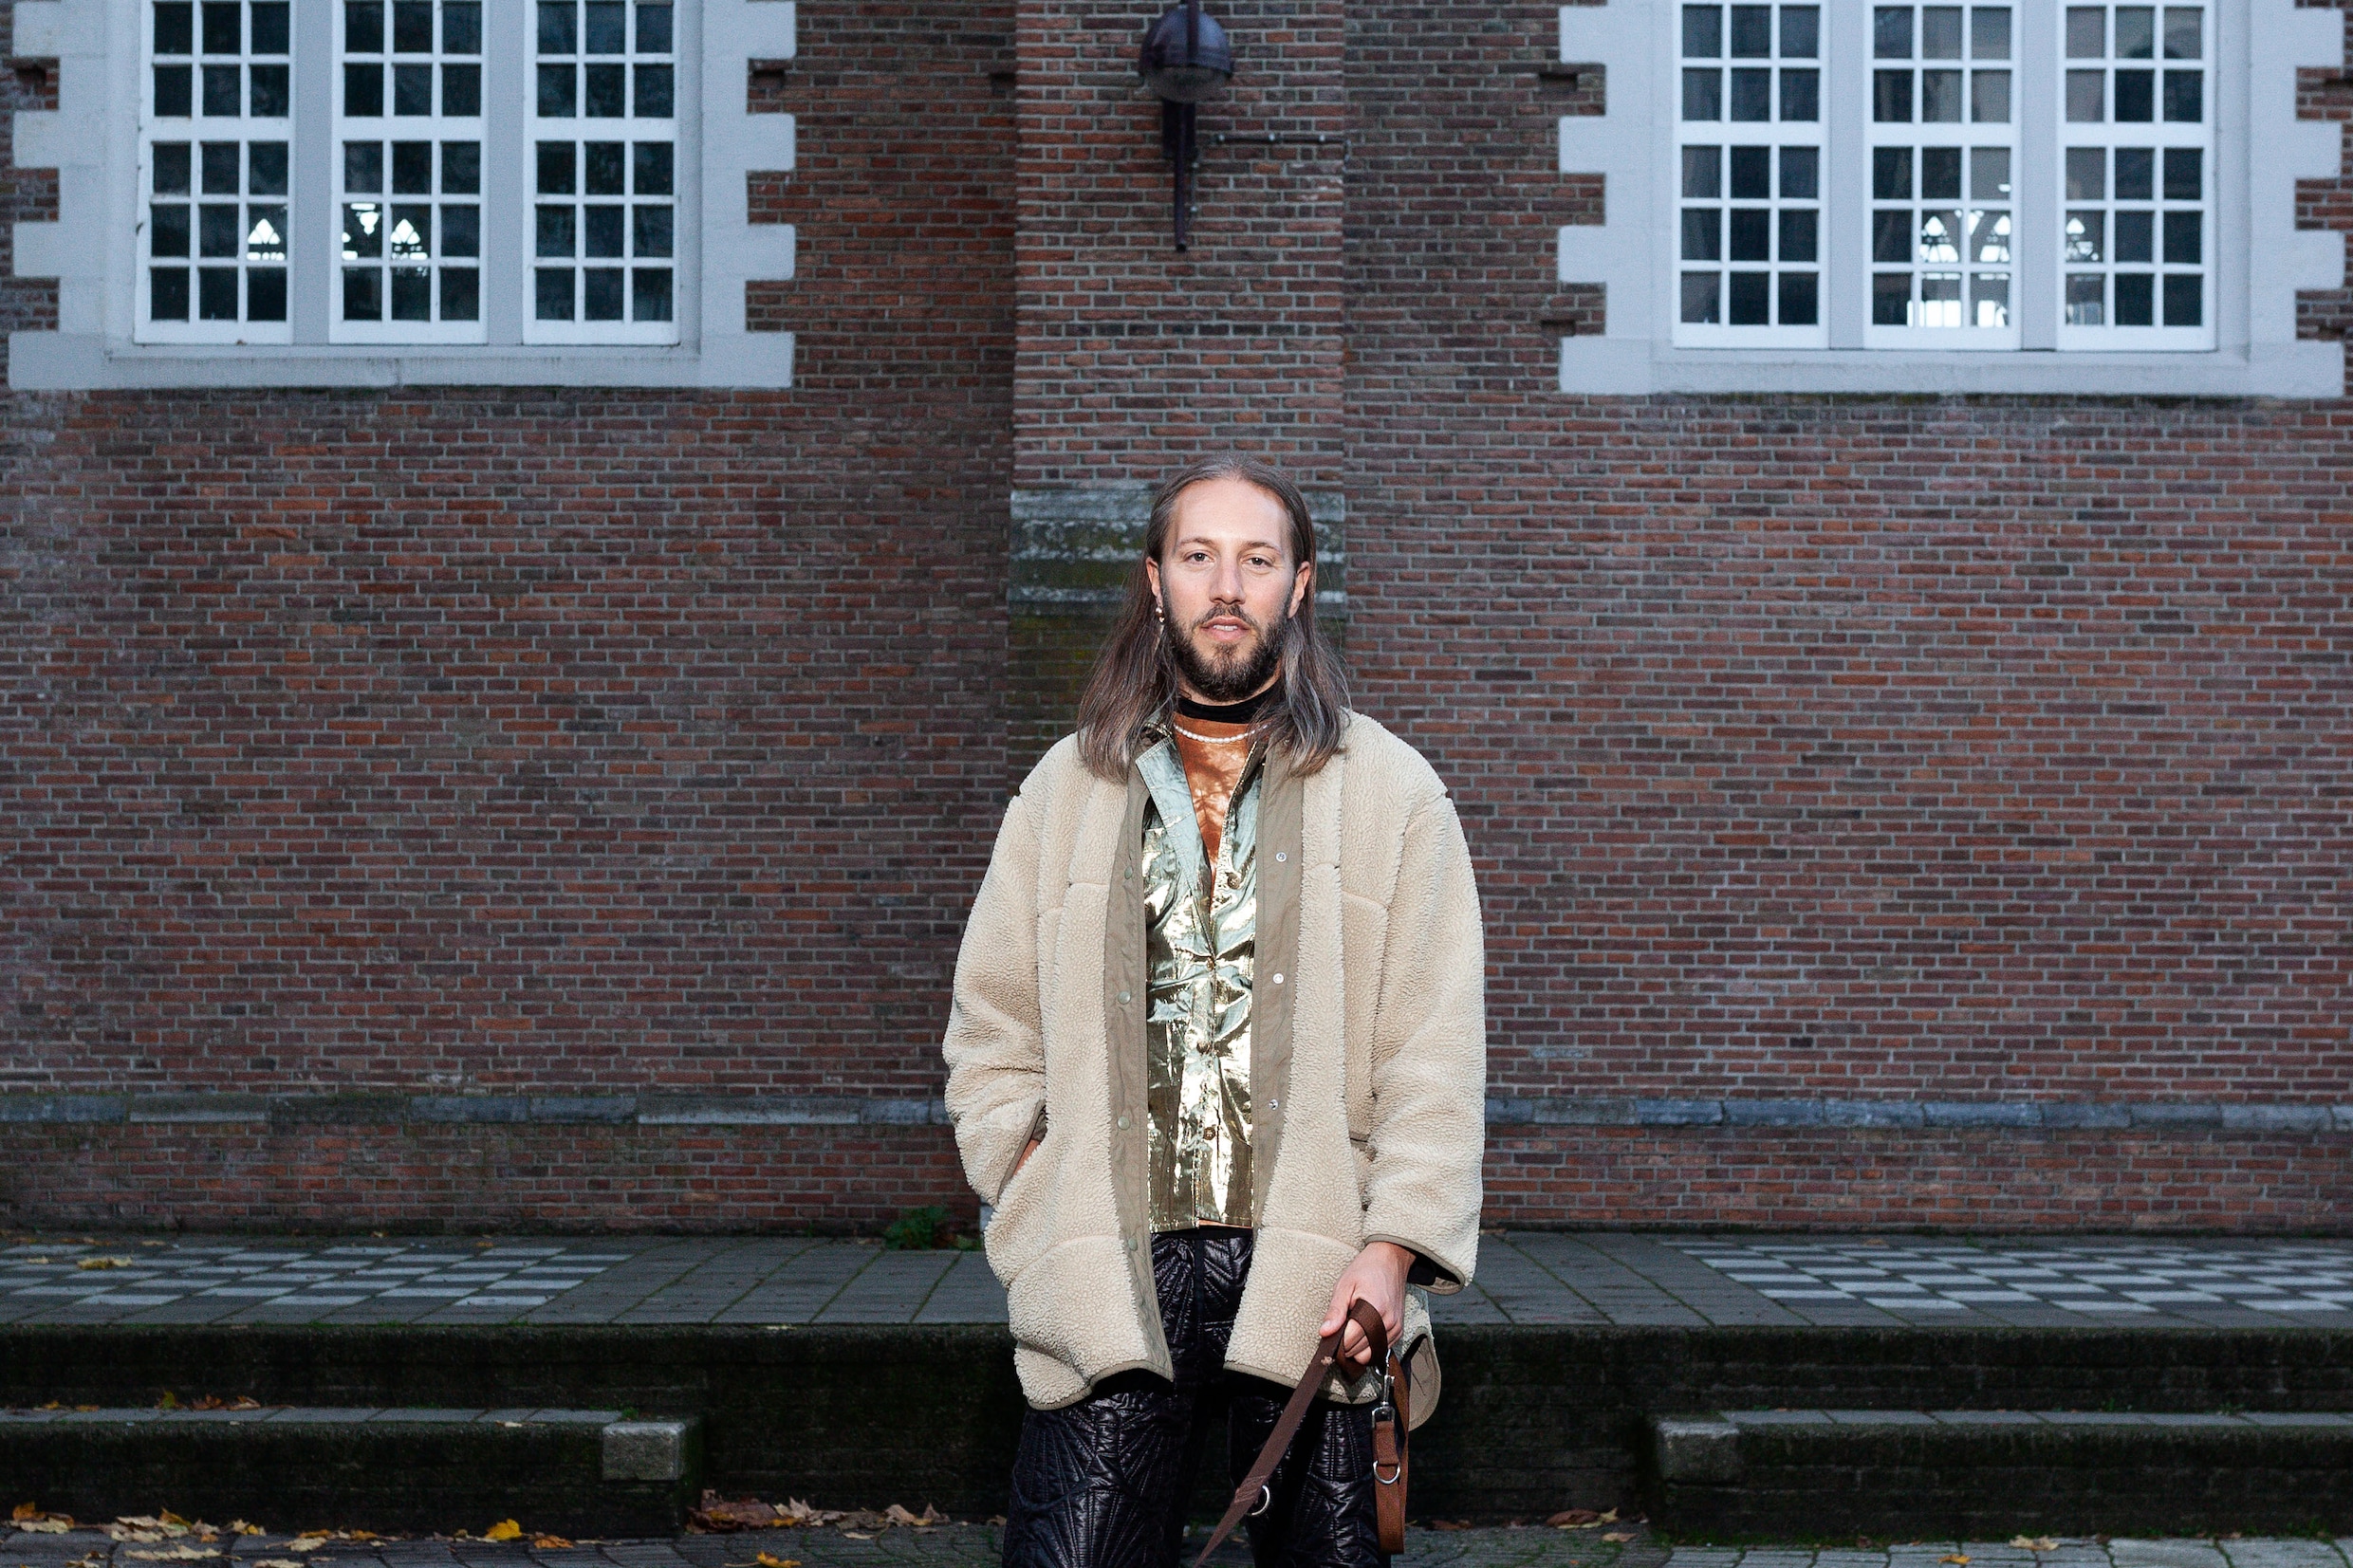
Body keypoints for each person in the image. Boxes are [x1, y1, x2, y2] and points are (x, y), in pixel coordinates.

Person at [942, 454, 1488, 1568]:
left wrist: (1393, 1249)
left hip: (1316, 1272)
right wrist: (1030, 1186)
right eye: (1198, 557)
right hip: (1107, 1266)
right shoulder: (1062, 789)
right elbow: (990, 1029)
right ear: (1155, 581)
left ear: (1299, 586)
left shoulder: (1392, 793)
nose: (1225, 585)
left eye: (1255, 559)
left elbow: (1432, 1049)